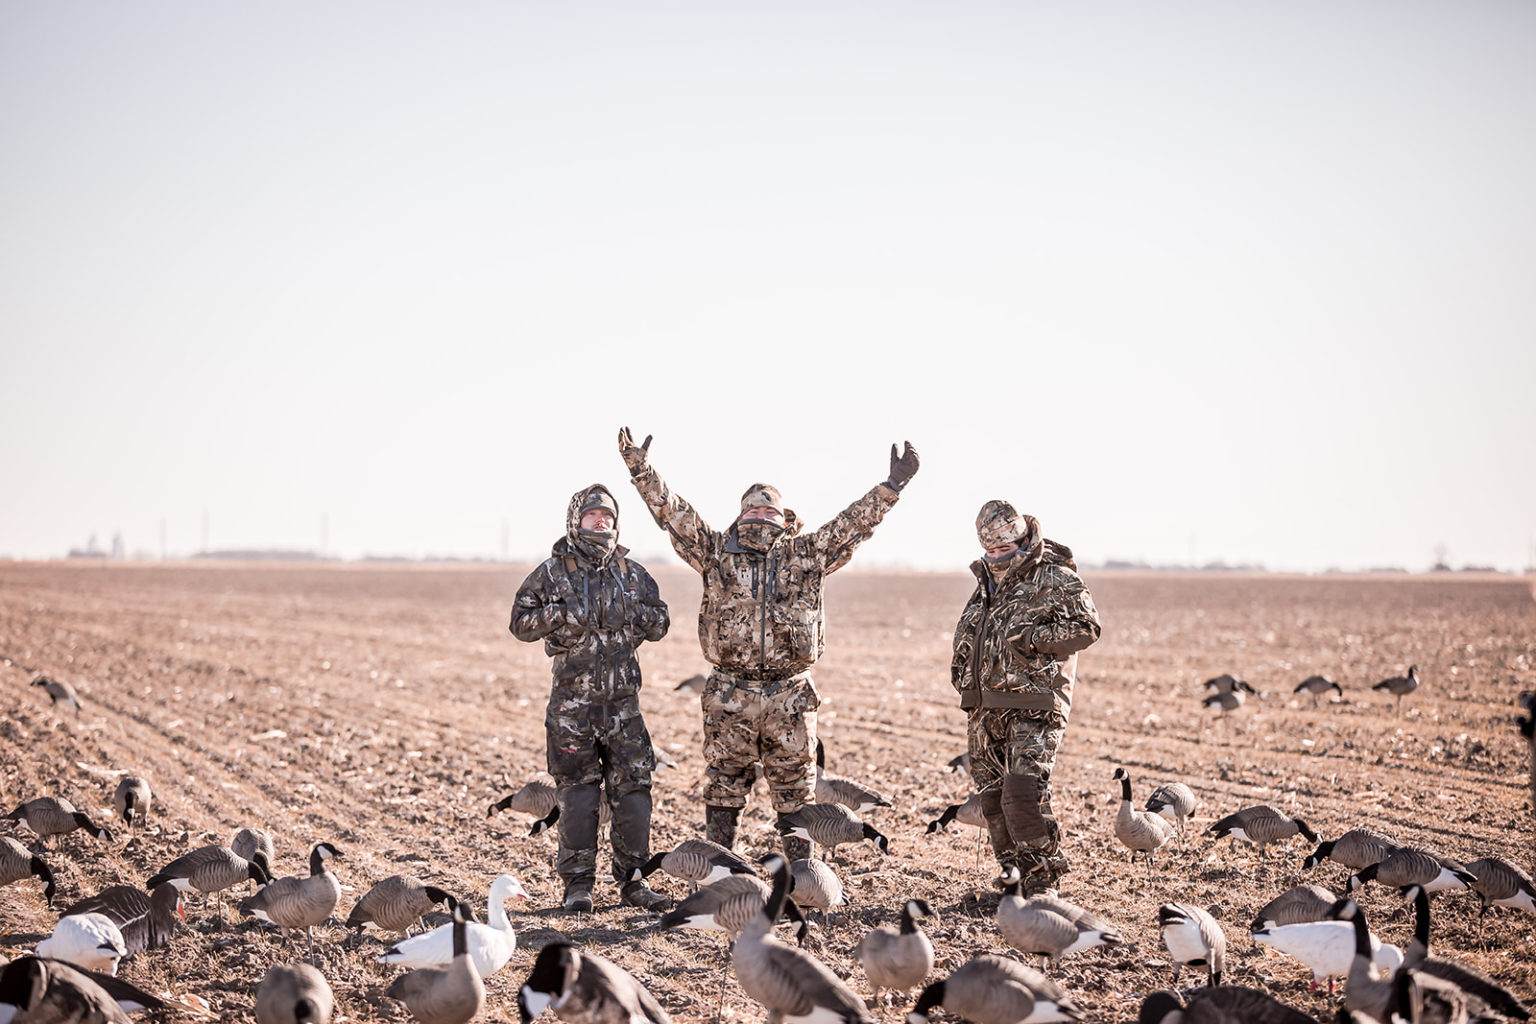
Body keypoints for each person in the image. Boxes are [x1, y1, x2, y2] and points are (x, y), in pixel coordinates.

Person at [617, 427, 919, 859]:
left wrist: (892, 487)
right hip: (729, 693)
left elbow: (854, 525)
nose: (760, 520)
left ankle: (802, 877)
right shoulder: (717, 551)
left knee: (795, 791)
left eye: (768, 514)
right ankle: (719, 873)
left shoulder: (806, 554)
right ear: (742, 518)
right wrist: (641, 469)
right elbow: (672, 513)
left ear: (783, 519)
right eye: (754, 514)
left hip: (790, 695)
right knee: (725, 784)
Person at [510, 484, 672, 913]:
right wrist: (558, 614)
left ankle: (635, 883)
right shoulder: (552, 573)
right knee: (578, 800)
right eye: (593, 515)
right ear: (575, 521)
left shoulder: (632, 573)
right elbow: (520, 622)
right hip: (572, 710)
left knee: (635, 797)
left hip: (624, 708)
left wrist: (638, 618)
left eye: (608, 516)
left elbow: (661, 621)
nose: (602, 521)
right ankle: (578, 886)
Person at [951, 500, 1100, 896]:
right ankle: (1013, 882)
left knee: (1023, 793)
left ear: (1023, 539)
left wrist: (1033, 640)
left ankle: (1042, 884)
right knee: (993, 798)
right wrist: (962, 670)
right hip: (985, 704)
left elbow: (1086, 627)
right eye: (992, 550)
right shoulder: (986, 581)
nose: (999, 557)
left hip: (1034, 702)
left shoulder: (1053, 576)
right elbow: (974, 633)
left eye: (1007, 548)